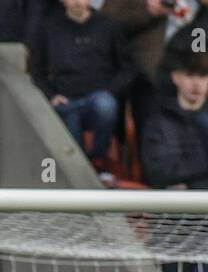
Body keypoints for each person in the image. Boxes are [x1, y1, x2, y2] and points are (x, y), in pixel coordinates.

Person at [30, 0, 136, 165]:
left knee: (105, 105)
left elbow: (128, 68)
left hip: (99, 98)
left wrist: (111, 91)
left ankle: (98, 158)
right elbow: (37, 71)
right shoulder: (49, 27)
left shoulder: (109, 26)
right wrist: (52, 95)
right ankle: (83, 169)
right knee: (69, 122)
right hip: (65, 101)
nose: (77, 1)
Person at [141, 51, 208, 190]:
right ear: (175, 77)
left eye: (202, 76)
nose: (196, 84)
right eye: (189, 75)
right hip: (172, 204)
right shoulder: (158, 122)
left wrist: (190, 184)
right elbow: (157, 171)